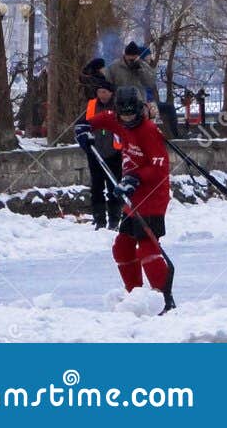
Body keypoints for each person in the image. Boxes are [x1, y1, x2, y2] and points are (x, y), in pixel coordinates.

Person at [75, 86, 176, 311]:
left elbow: (160, 167)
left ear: (139, 110)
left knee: (148, 248)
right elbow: (96, 119)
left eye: (132, 115)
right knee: (122, 247)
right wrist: (83, 128)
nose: (128, 120)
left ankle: (163, 299)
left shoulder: (148, 131)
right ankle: (136, 298)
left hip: (152, 196)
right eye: (124, 115)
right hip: (133, 198)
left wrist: (134, 179)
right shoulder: (116, 119)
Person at [81, 79, 123, 229]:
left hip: (114, 152)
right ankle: (99, 219)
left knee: (114, 187)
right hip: (95, 151)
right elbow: (83, 124)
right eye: (99, 92)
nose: (102, 95)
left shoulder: (118, 105)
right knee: (96, 187)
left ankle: (114, 220)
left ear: (111, 93)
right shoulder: (91, 105)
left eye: (104, 92)